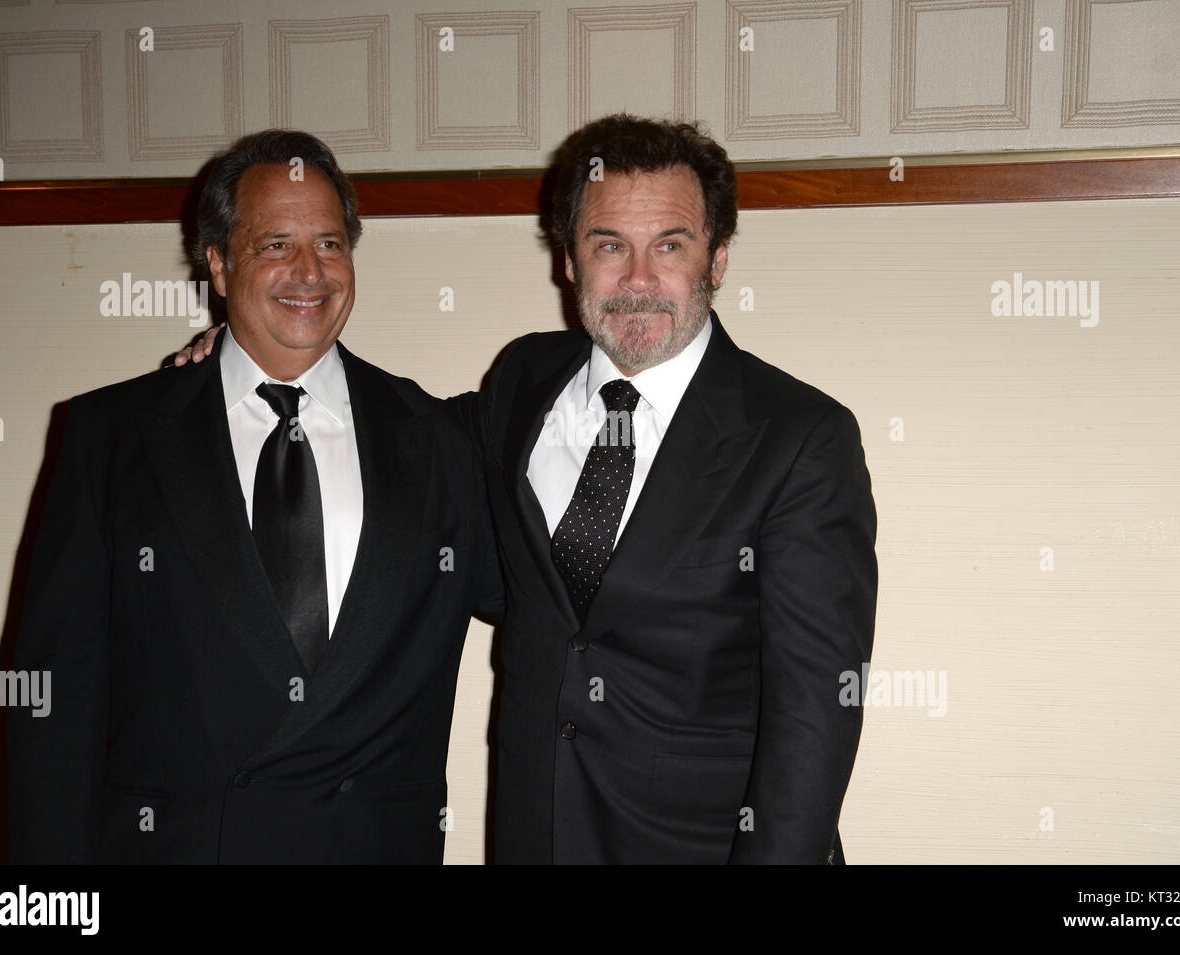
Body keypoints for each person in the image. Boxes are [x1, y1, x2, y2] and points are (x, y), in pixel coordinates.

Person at [177, 114, 878, 865]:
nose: (638, 280)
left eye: (669, 245)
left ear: (718, 259)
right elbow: (383, 434)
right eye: (609, 245)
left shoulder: (800, 438)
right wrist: (253, 350)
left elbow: (815, 724)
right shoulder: (522, 384)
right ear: (570, 260)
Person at [8, 129, 500, 863]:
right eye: (275, 245)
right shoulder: (112, 435)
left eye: (331, 244)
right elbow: (52, 703)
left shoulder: (441, 440)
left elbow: (556, 617)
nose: (310, 271)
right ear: (217, 260)